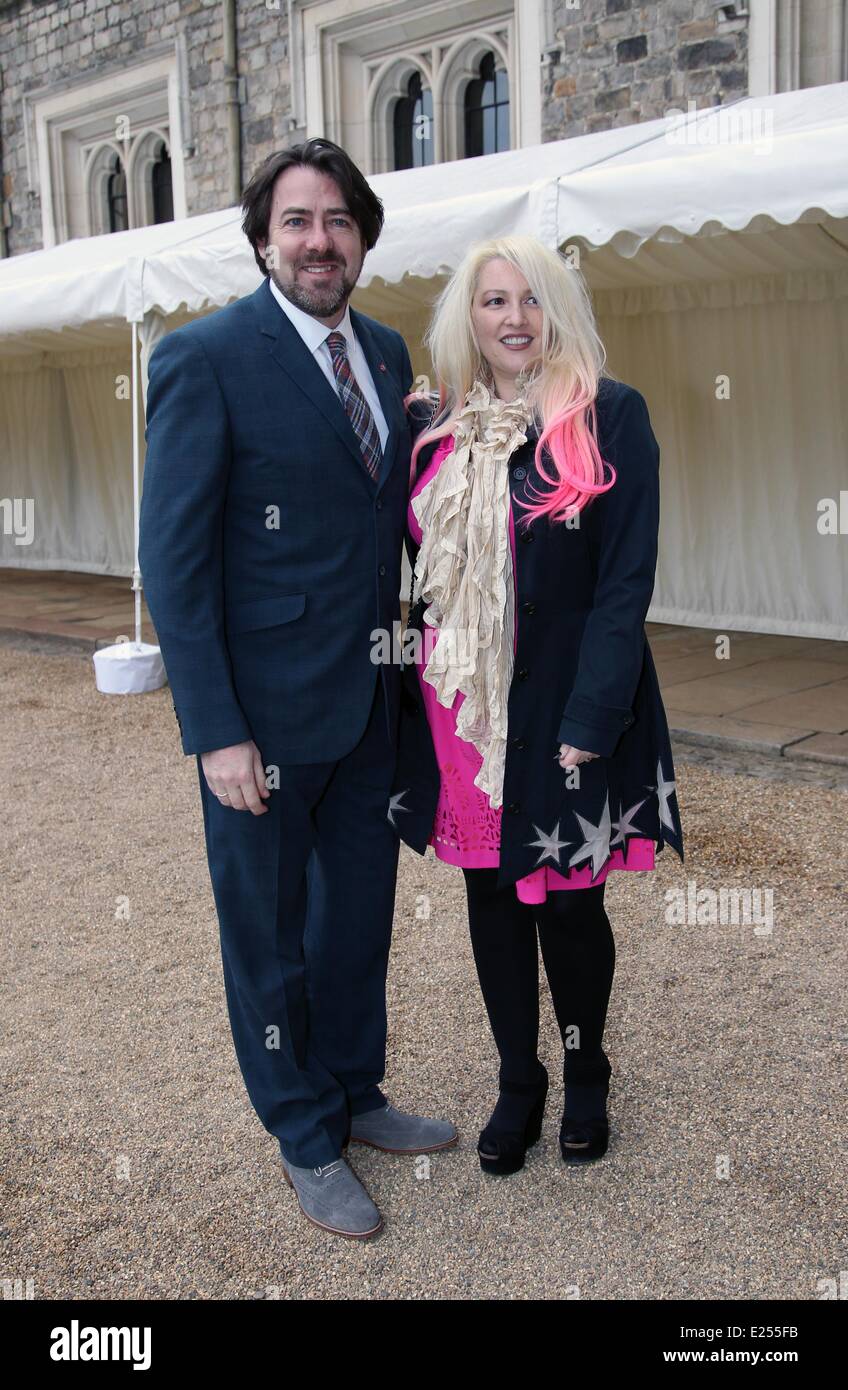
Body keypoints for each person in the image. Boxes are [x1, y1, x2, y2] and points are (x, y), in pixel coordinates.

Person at [138, 138, 456, 1242]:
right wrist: (214, 731)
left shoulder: (383, 346)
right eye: (296, 222)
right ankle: (303, 1132)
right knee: (267, 936)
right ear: (263, 239)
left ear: (361, 235)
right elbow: (172, 564)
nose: (318, 241)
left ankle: (355, 1091)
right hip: (263, 721)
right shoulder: (205, 358)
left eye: (336, 221)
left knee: (357, 918)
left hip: (375, 702)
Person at [391, 234, 684, 1175]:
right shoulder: (436, 432)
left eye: (530, 299)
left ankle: (585, 1067)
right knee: (490, 899)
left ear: (557, 310)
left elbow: (624, 582)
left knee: (568, 902)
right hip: (464, 716)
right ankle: (519, 1081)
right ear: (466, 319)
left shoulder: (610, 417)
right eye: (492, 302)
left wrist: (593, 720)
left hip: (565, 713)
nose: (513, 318)